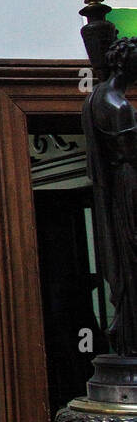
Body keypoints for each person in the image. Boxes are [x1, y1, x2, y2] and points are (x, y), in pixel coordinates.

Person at [83, 37, 137, 357]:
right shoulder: (115, 105)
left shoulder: (98, 97)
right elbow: (130, 152)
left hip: (124, 183)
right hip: (129, 185)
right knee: (130, 254)